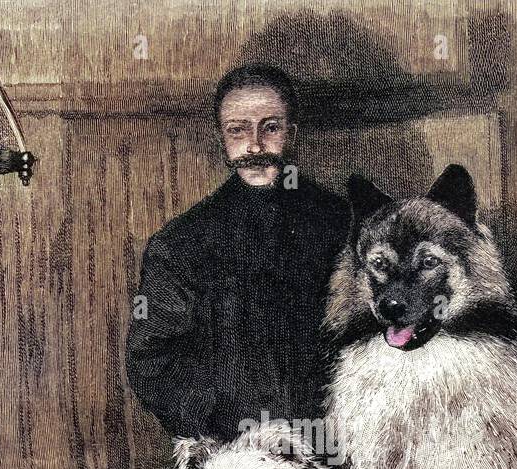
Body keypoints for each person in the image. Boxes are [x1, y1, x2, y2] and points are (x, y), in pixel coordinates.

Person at [126, 63, 350, 442]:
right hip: (236, 454)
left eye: (271, 127)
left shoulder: (343, 225)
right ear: (222, 139)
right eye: (237, 130)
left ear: (291, 133)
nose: (255, 146)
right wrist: (223, 426)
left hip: (341, 445)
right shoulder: (182, 242)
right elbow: (151, 357)